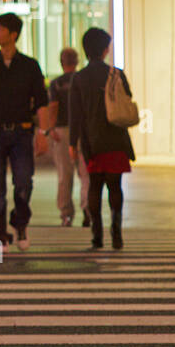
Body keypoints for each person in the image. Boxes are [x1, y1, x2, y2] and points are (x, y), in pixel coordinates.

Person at [0, 12, 52, 250]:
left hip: (22, 134)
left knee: (24, 181)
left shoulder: (30, 66)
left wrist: (42, 134)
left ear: (14, 35)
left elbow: (42, 103)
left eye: (1, 29)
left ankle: (20, 222)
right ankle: (0, 232)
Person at [68, 27, 135, 250]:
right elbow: (128, 98)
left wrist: (72, 143)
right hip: (115, 138)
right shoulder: (115, 74)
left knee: (94, 186)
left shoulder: (79, 78)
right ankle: (116, 233)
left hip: (92, 141)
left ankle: (97, 235)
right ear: (105, 49)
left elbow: (74, 114)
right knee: (115, 186)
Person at [47, 47, 91, 228]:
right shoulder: (83, 80)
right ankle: (88, 209)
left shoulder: (56, 83)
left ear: (61, 62)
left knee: (64, 175)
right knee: (86, 173)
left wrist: (51, 128)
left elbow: (53, 107)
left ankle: (66, 214)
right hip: (83, 130)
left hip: (62, 132)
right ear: (77, 61)